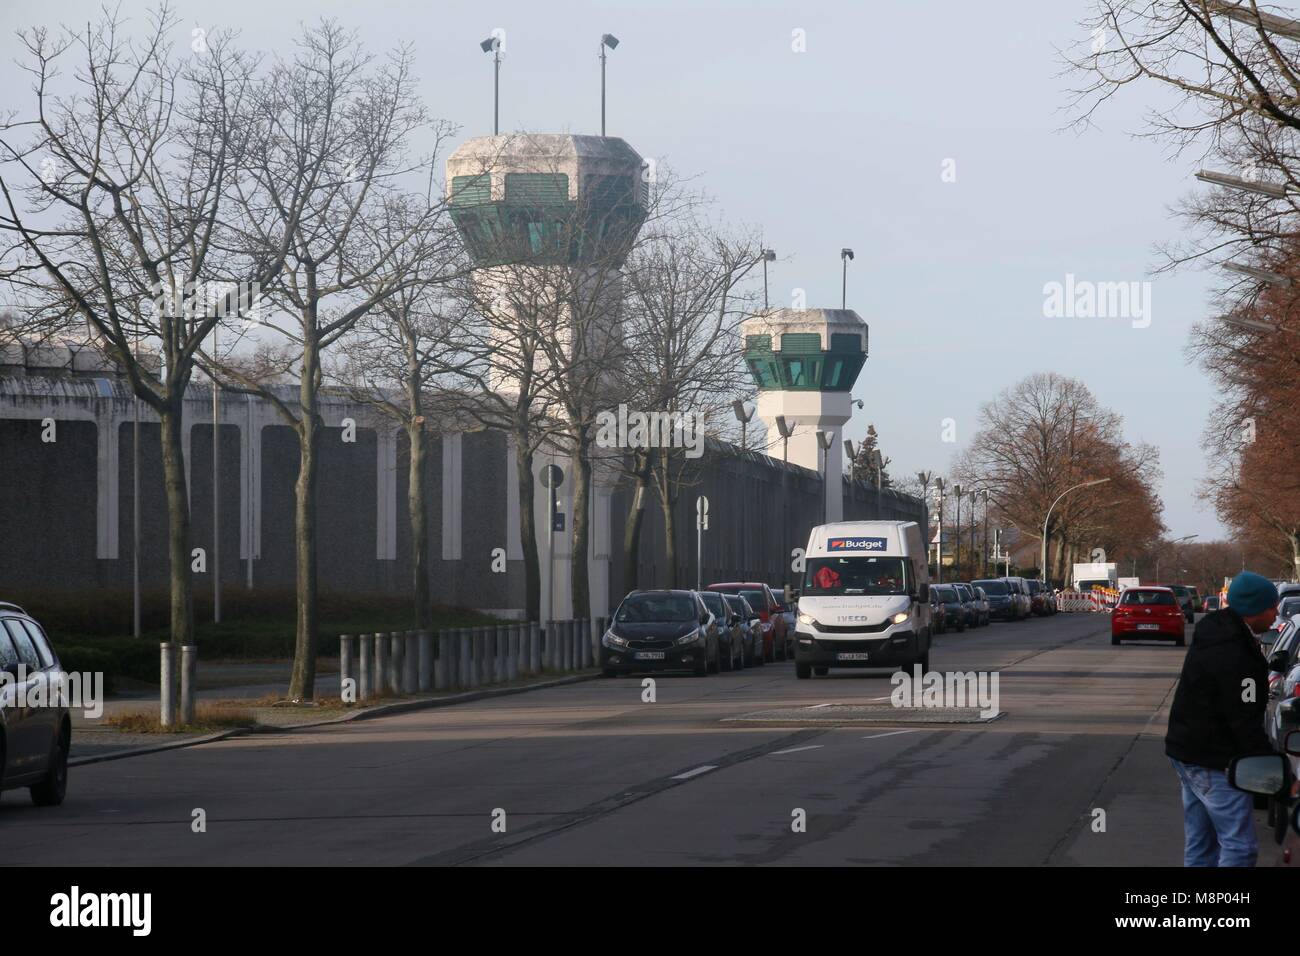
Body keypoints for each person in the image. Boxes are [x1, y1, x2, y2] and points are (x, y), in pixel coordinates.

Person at [1165, 570, 1276, 867]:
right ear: (1253, 609)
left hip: (1187, 751)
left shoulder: (1215, 633)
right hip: (1214, 759)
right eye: (1272, 606)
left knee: (1201, 844)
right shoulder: (1236, 653)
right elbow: (1244, 718)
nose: (1277, 612)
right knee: (1239, 847)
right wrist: (1272, 767)